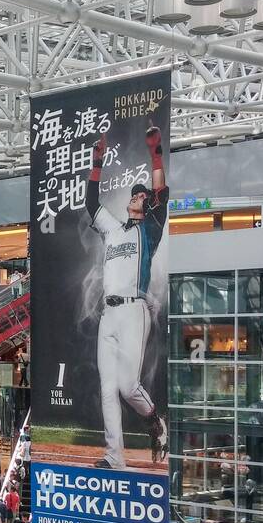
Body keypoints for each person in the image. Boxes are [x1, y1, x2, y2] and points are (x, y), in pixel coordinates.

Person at [84, 128, 169, 469]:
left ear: (146, 204)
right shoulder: (113, 229)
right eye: (134, 195)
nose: (136, 197)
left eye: (140, 196)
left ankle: (153, 419)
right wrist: (97, 161)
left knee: (127, 386)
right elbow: (91, 202)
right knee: (107, 390)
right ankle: (113, 457)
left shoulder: (150, 230)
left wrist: (156, 153)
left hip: (135, 310)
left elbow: (162, 192)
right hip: (109, 313)